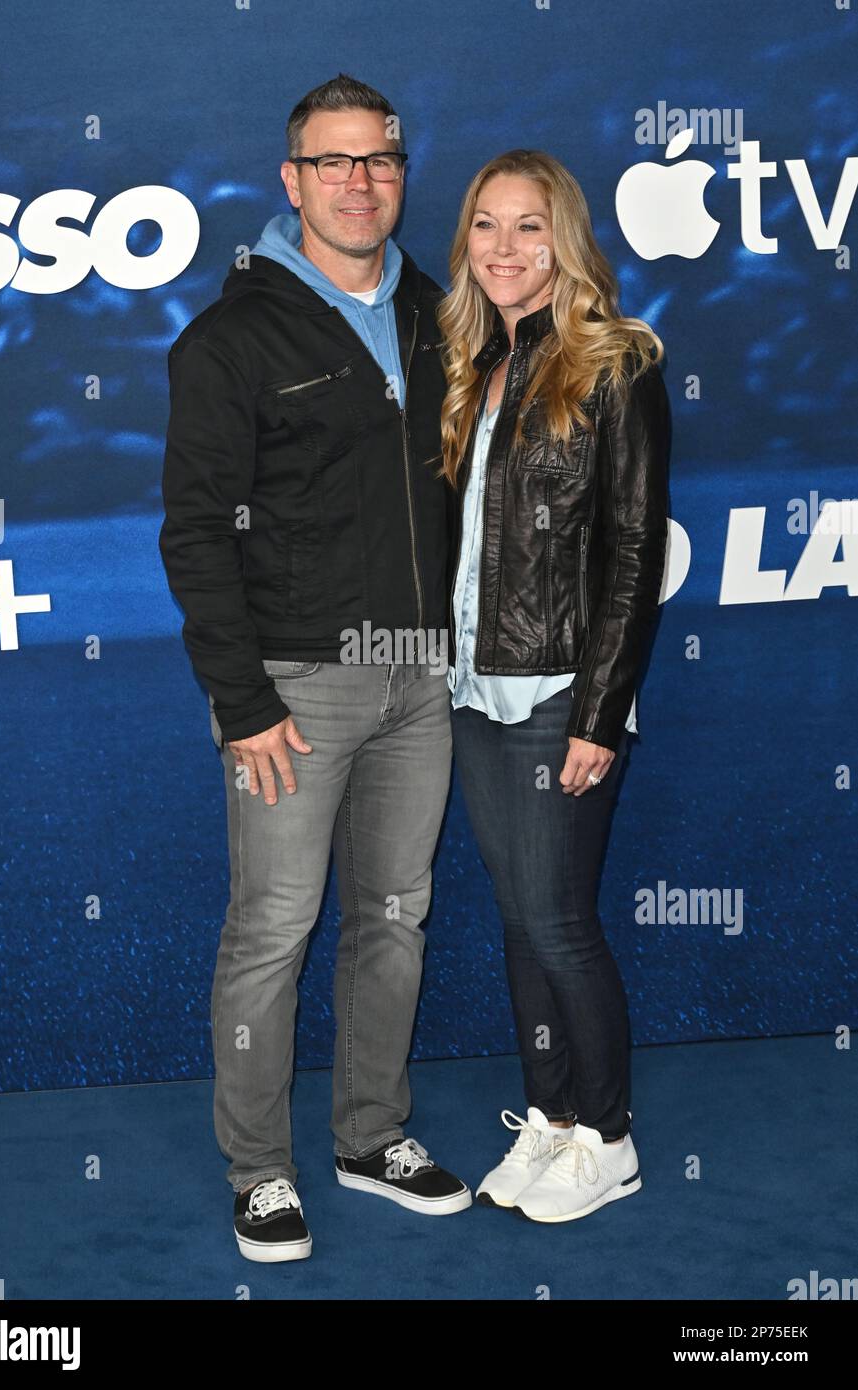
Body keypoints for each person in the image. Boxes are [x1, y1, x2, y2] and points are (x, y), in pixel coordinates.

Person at [159, 74, 471, 1264]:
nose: (357, 182)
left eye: (378, 162)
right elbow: (193, 532)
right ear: (289, 182)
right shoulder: (230, 338)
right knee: (273, 928)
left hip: (418, 683)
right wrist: (240, 704)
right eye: (331, 163)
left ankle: (368, 1133)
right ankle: (260, 1169)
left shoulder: (438, 315)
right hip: (292, 690)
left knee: (394, 918)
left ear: (400, 175)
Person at [439, 148, 671, 1222]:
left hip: (558, 696)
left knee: (558, 920)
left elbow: (630, 553)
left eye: (526, 227)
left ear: (563, 239)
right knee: (518, 919)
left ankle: (609, 1139)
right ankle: (549, 1117)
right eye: (484, 225)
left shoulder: (615, 362)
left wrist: (597, 712)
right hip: (476, 691)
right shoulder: (480, 364)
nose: (501, 248)